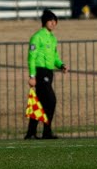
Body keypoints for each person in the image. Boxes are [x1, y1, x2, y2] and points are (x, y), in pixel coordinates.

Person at [25, 8, 68, 140]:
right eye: (51, 20)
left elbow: (55, 56)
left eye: (55, 21)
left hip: (49, 73)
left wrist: (61, 65)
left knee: (42, 103)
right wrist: (32, 76)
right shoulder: (37, 37)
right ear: (45, 22)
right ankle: (46, 132)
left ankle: (31, 133)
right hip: (40, 71)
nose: (53, 23)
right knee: (51, 100)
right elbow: (31, 57)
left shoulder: (53, 38)